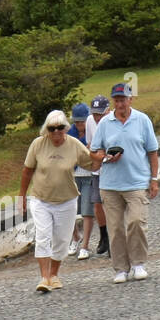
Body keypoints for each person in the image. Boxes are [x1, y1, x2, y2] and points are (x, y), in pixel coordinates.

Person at [90, 82, 160, 283]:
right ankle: (120, 268)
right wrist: (106, 157)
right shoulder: (105, 123)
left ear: (131, 99)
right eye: (117, 100)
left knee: (136, 221)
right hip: (110, 184)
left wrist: (153, 179)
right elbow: (94, 151)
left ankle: (138, 263)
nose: (120, 104)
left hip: (137, 181)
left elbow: (152, 151)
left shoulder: (142, 120)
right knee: (115, 227)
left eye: (123, 99)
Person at [20, 110, 93, 293]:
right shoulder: (38, 145)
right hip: (41, 199)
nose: (56, 132)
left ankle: (54, 274)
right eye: (52, 129)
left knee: (61, 240)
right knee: (43, 236)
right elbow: (27, 170)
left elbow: (91, 163)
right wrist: (21, 195)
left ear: (66, 128)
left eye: (60, 128)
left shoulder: (74, 145)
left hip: (67, 200)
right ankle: (44, 277)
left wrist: (103, 156)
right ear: (47, 129)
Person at [67, 103, 99, 260]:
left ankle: (85, 246)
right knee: (69, 210)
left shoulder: (93, 131)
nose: (80, 125)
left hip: (89, 175)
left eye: (82, 121)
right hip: (72, 175)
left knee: (87, 211)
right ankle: (75, 238)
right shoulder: (69, 134)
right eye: (77, 122)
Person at [86, 94, 112, 256]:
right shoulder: (90, 121)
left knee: (112, 204)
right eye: (95, 113)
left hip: (112, 168)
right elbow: (90, 145)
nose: (97, 117)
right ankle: (104, 235)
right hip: (97, 168)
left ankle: (114, 236)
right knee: (97, 204)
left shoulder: (111, 121)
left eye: (100, 114)